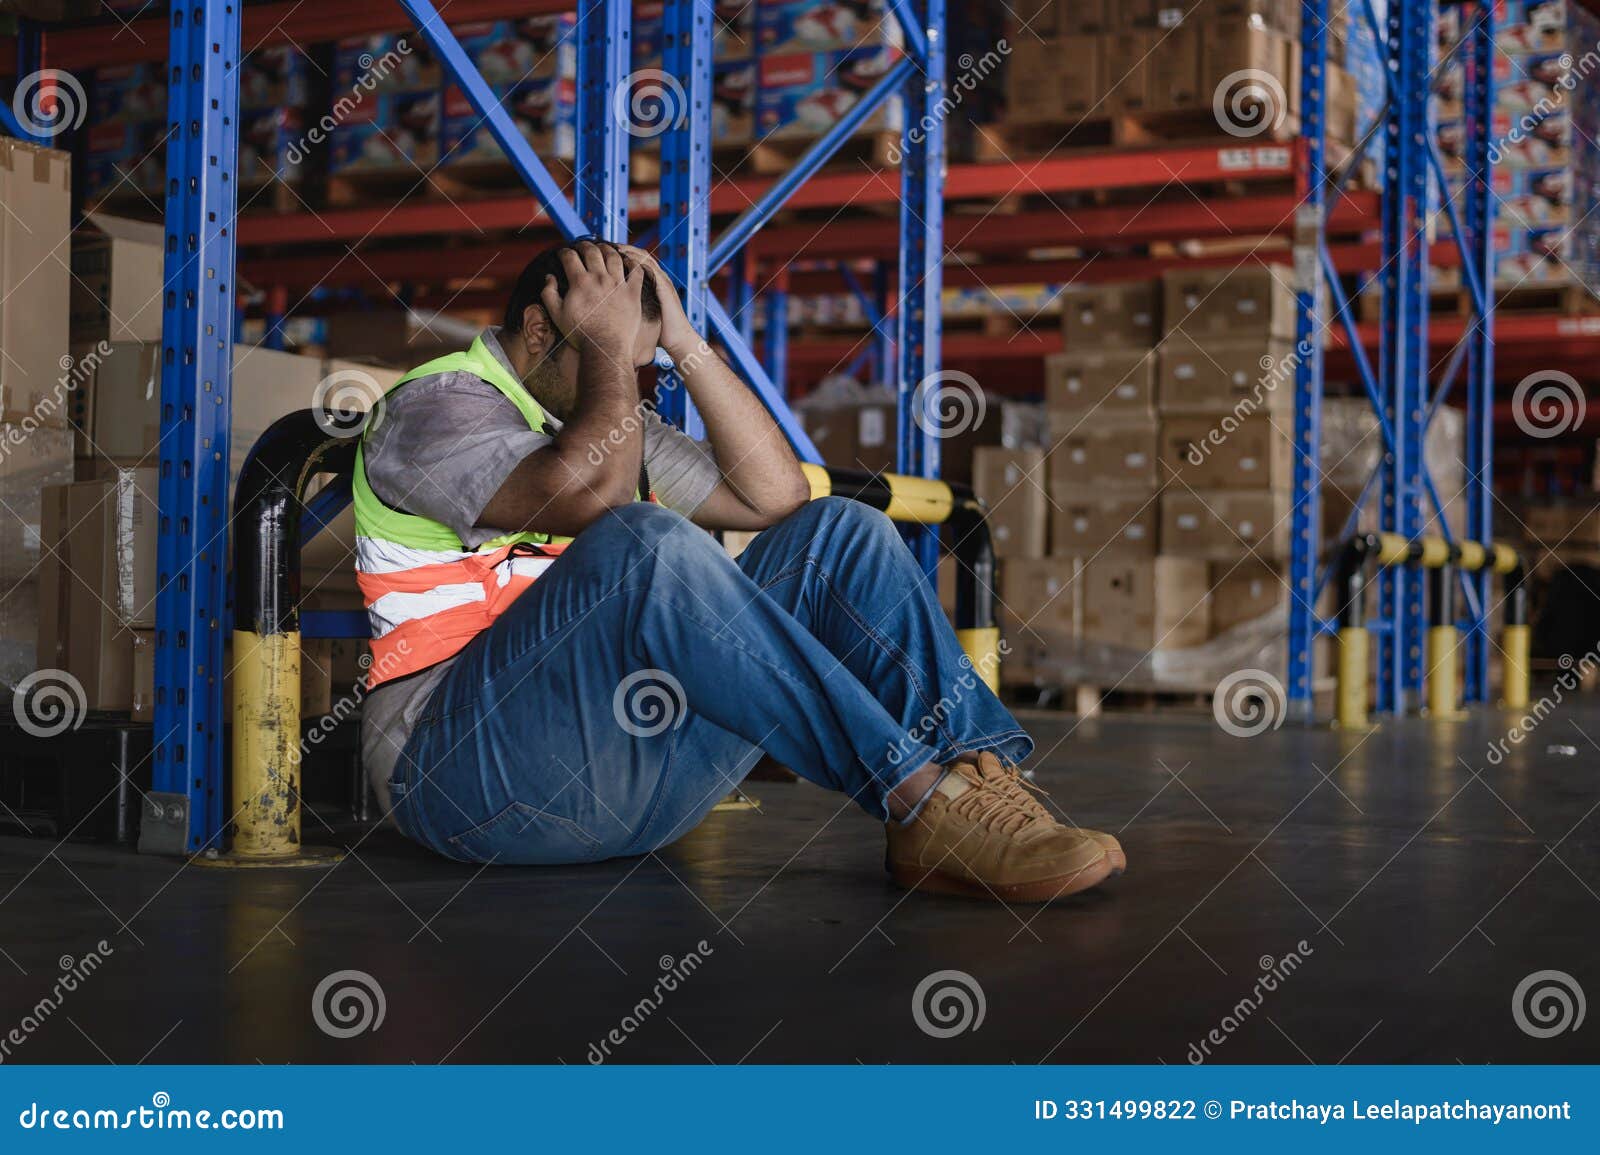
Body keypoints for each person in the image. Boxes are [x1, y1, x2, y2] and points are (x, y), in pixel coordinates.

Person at [355, 239, 1125, 902]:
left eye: (640, 363)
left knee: (839, 530)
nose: (634, 378)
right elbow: (596, 496)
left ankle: (977, 784)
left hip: (623, 781)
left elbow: (776, 495)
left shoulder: (608, 418)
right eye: (615, 355)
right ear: (538, 330)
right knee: (645, 541)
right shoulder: (435, 406)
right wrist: (605, 349)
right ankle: (918, 799)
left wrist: (685, 342)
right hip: (463, 780)